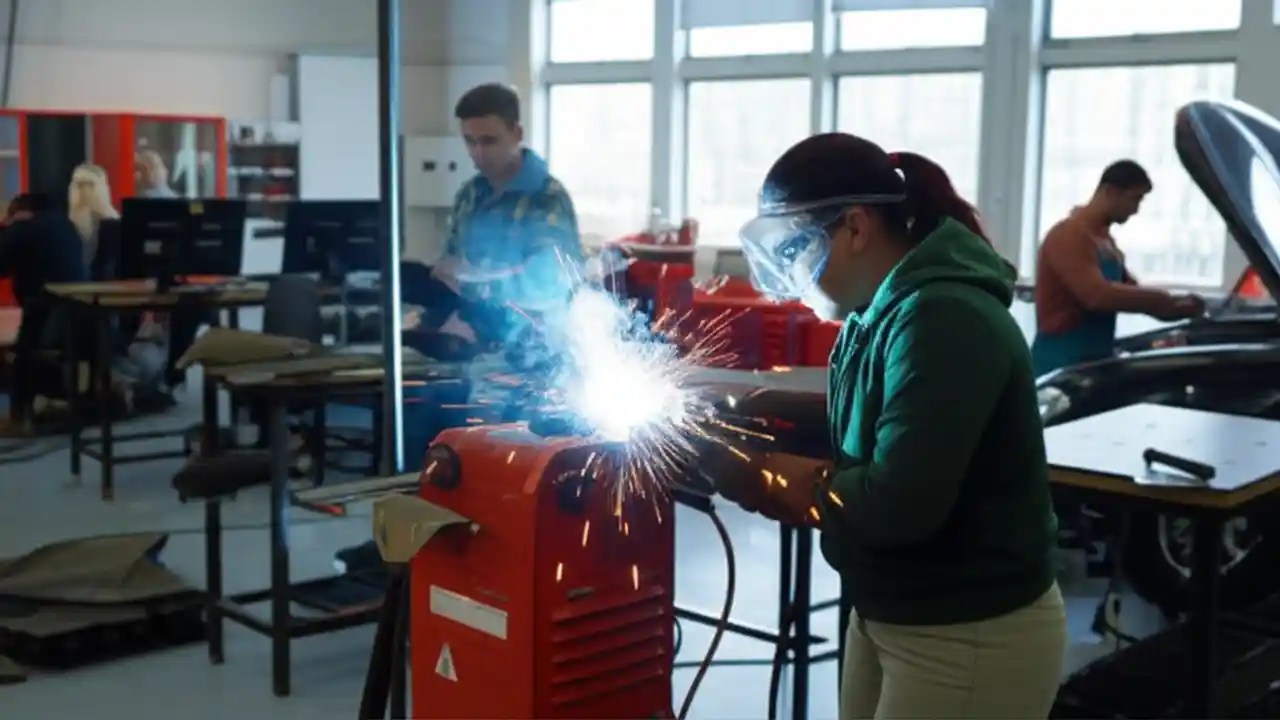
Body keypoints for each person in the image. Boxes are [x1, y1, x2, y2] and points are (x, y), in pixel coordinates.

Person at [738, 133, 1065, 719]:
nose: (791, 273)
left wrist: (752, 475)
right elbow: (869, 420)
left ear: (856, 227)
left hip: (966, 631)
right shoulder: (877, 312)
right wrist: (745, 406)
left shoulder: (943, 316)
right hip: (888, 609)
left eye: (797, 251)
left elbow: (898, 503)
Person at [433, 82, 583, 339]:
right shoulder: (470, 195)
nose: (478, 153)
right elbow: (449, 267)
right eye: (470, 141)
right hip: (475, 341)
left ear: (516, 133)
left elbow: (544, 286)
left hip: (537, 348)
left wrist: (472, 283)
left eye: (489, 141)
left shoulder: (546, 199)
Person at [1032, 160, 1204, 375]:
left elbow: (1133, 294)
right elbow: (1096, 296)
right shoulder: (1068, 235)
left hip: (1093, 362)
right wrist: (1162, 299)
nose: (1136, 210)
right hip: (1057, 364)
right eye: (1134, 199)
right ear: (1109, 192)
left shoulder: (1106, 242)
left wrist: (1181, 306)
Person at [0, 192, 88, 430]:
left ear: (19, 212)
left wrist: (7, 230)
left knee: (23, 350)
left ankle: (18, 419)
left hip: (47, 314)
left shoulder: (23, 228)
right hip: (81, 314)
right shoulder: (66, 226)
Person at [68, 163, 120, 268]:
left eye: (90, 185)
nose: (84, 190)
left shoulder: (113, 223)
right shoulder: (66, 222)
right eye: (80, 185)